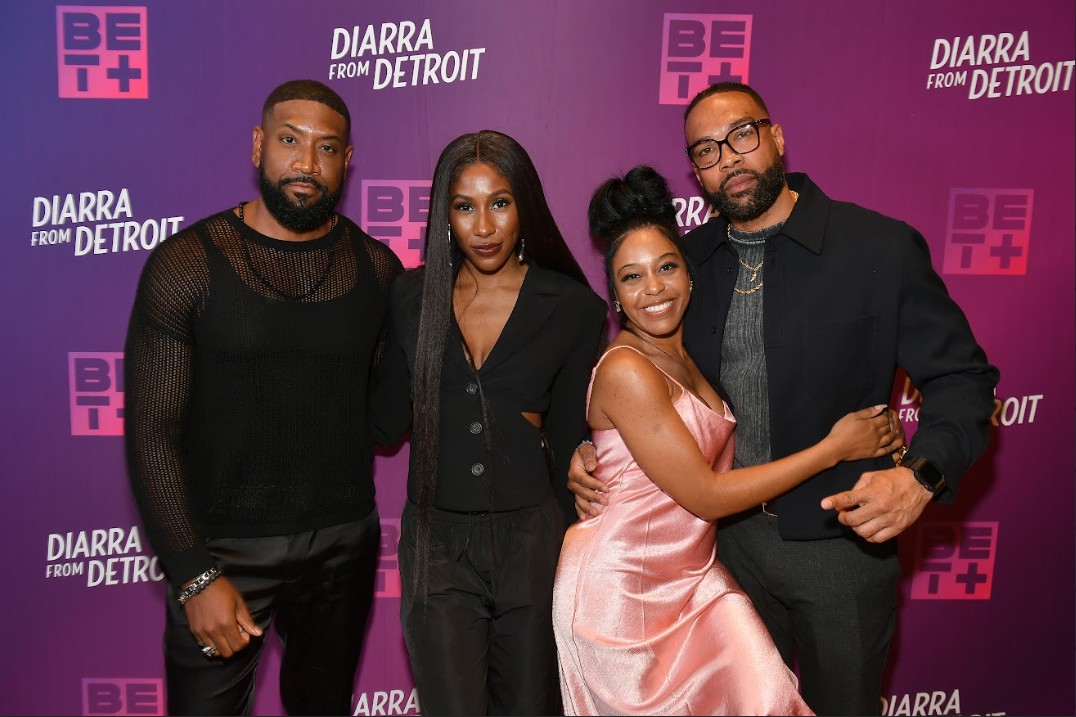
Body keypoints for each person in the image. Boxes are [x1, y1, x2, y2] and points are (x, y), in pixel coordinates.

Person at [568, 83, 999, 715]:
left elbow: (963, 379)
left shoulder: (877, 248)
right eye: (707, 151)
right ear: (695, 172)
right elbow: (641, 377)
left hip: (841, 547)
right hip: (719, 559)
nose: (730, 158)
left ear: (776, 137)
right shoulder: (685, 265)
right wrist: (597, 451)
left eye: (742, 135)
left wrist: (919, 477)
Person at [553, 165, 903, 716]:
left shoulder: (689, 351)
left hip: (690, 578)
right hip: (624, 593)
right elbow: (707, 495)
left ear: (689, 275)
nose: (653, 289)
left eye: (666, 267)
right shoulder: (627, 368)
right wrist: (834, 448)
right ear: (614, 295)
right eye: (631, 277)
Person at [124, 79, 403, 715]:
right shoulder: (186, 264)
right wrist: (194, 573)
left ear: (347, 160)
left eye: (326, 148)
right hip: (221, 551)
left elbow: (388, 415)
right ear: (258, 145)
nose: (307, 163)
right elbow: (151, 433)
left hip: (341, 547)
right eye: (289, 140)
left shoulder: (377, 269)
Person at [370, 130, 607, 715]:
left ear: (524, 205)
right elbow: (384, 422)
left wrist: (581, 460)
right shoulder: (411, 296)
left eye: (499, 203)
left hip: (533, 540)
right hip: (436, 543)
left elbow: (571, 436)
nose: (483, 226)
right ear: (444, 214)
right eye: (464, 206)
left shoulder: (572, 307)